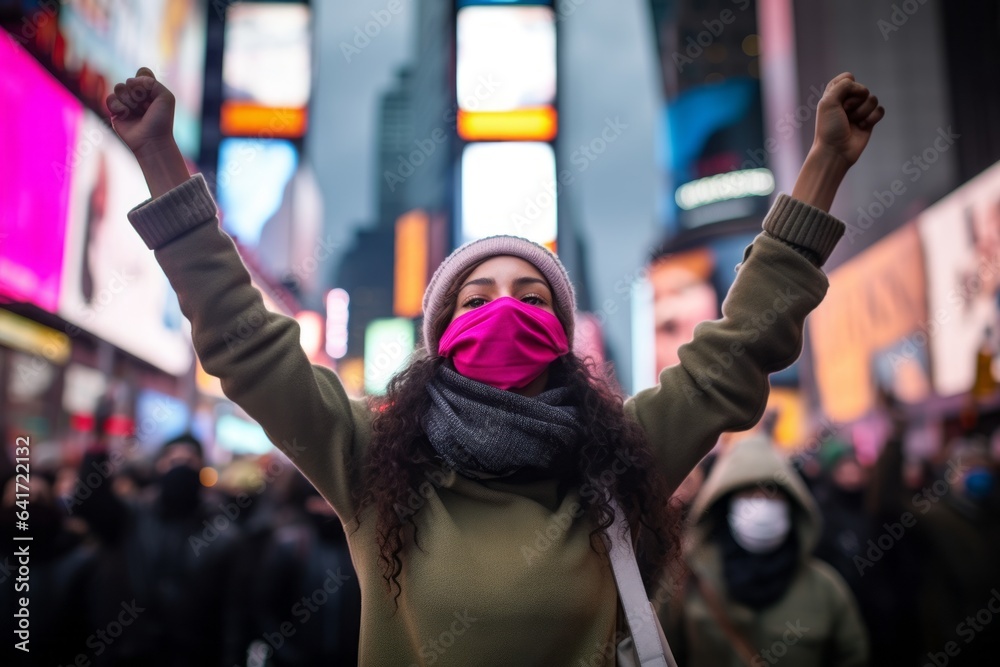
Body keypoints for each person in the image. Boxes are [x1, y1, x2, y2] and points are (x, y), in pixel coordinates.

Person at [104, 66, 883, 665]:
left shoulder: (617, 453)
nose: (504, 310)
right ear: (440, 335)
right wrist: (160, 159)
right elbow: (247, 343)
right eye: (475, 299)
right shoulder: (373, 463)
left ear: (562, 333)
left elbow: (737, 349)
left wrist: (823, 166)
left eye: (530, 296)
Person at [661, 435, 869, 667]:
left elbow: (853, 656)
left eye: (771, 494)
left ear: (792, 504)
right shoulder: (684, 583)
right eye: (748, 494)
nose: (760, 503)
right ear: (724, 504)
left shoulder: (825, 587)